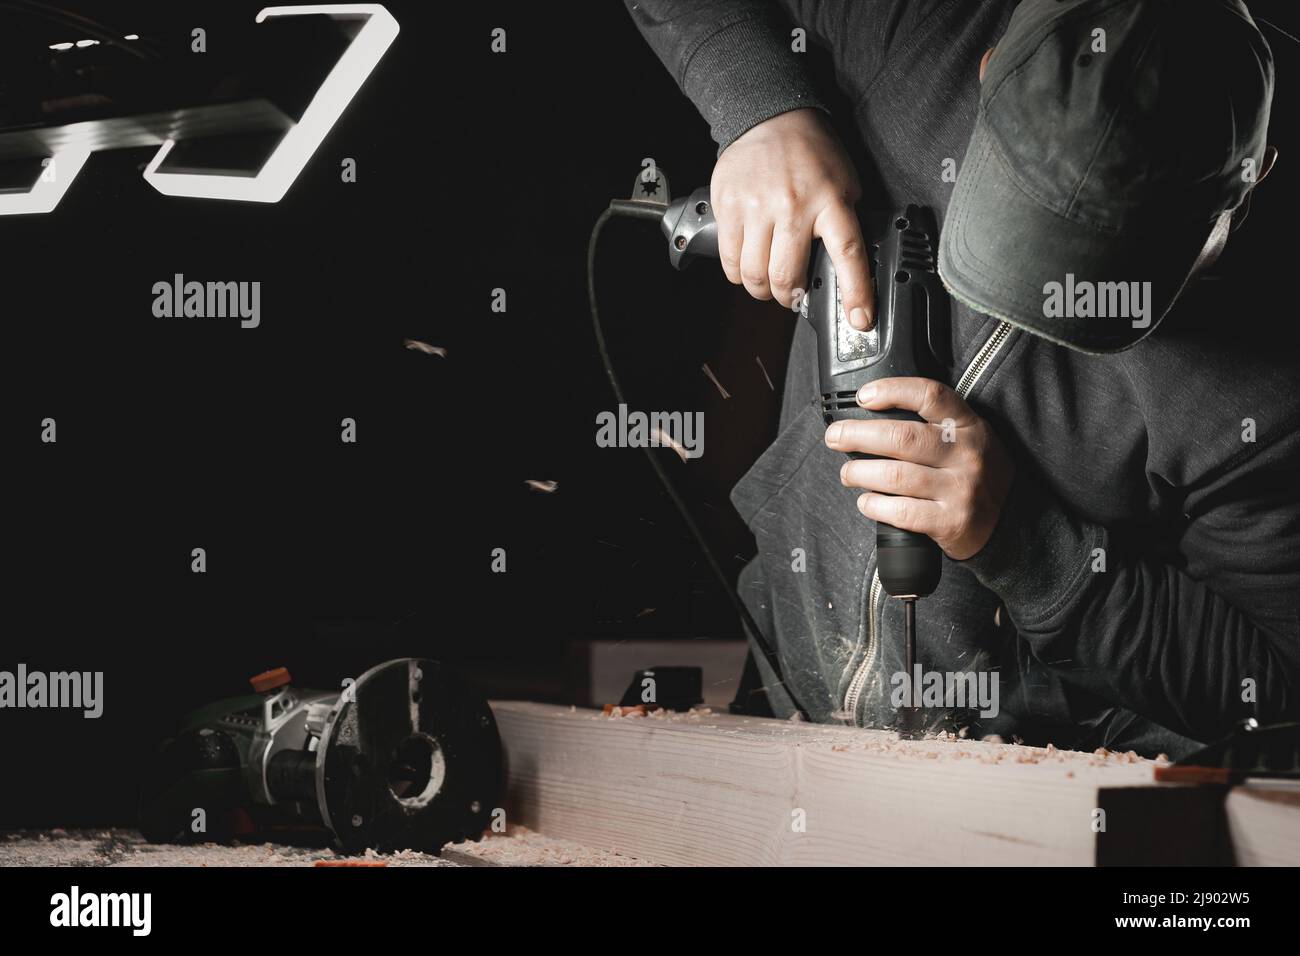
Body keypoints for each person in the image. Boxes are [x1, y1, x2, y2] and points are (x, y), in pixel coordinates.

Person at [625, 0, 1296, 757]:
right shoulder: (921, 23)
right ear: (989, 65)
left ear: (1255, 174)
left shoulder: (1274, 389)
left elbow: (1275, 690)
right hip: (790, 663)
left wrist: (1023, 543)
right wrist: (758, 107)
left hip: (1017, 774)